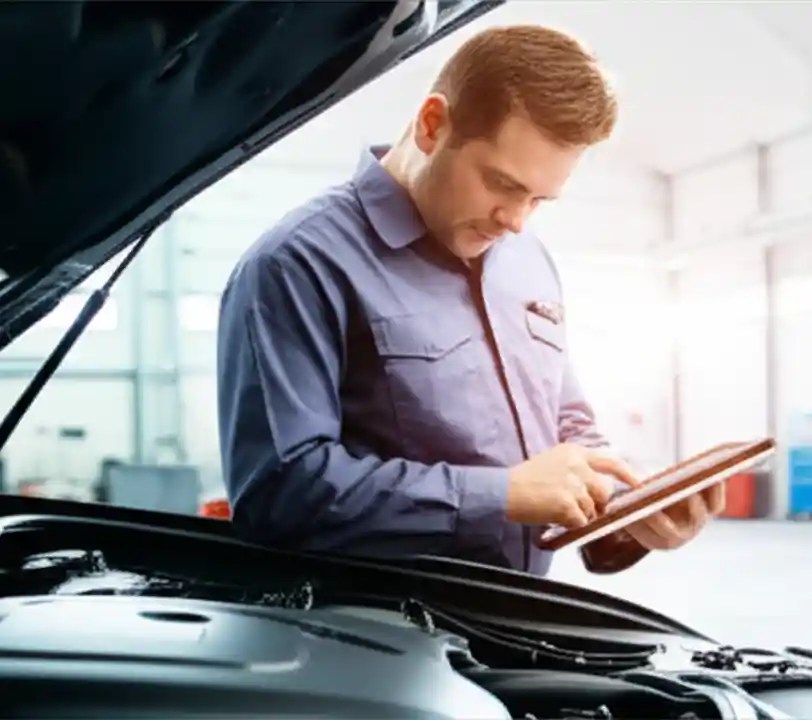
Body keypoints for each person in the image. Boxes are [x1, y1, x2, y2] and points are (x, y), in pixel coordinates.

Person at [215, 24, 723, 576]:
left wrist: (629, 513)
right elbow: (281, 495)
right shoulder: (298, 264)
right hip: (376, 638)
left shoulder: (527, 260)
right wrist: (497, 495)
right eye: (502, 184)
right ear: (433, 125)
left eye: (539, 199)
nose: (516, 219)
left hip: (508, 622)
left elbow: (565, 425)